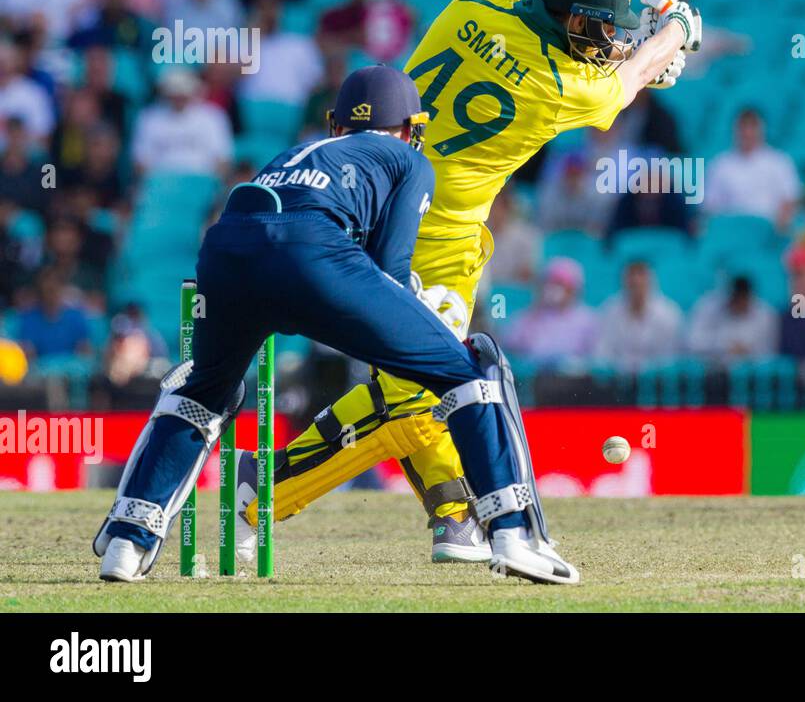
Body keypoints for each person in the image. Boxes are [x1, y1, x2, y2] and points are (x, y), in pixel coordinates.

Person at [268, 0, 699, 560]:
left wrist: (638, 54)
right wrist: (673, 34)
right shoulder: (556, 87)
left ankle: (452, 516)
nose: (608, 41)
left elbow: (594, 68)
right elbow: (617, 91)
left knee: (415, 382)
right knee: (424, 398)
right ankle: (269, 485)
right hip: (428, 237)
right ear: (573, 22)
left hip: (366, 202)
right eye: (602, 29)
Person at [94, 66, 578, 585]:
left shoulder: (297, 152)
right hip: (313, 257)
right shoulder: (407, 159)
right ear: (410, 127)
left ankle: (127, 539)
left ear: (337, 123)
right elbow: (387, 271)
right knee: (471, 368)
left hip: (227, 248)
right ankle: (513, 534)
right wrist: (429, 305)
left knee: (204, 393)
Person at [703, 107, 801, 230]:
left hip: (767, 230)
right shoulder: (720, 165)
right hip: (731, 230)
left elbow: (790, 201)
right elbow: (710, 208)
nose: (747, 133)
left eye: (752, 127)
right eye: (743, 127)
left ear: (761, 129)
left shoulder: (779, 162)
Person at [594, 259, 683, 371]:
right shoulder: (609, 310)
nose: (636, 281)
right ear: (623, 281)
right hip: (616, 380)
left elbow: (670, 358)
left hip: (658, 381)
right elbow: (602, 353)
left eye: (641, 275)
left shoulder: (669, 314)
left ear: (651, 280)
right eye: (631, 276)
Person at [685, 275, 778, 362]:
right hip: (712, 369)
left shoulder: (765, 314)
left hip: (753, 372)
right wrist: (724, 345)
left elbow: (770, 353)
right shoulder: (708, 307)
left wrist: (747, 350)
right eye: (736, 299)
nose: (739, 304)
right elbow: (692, 342)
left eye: (743, 300)